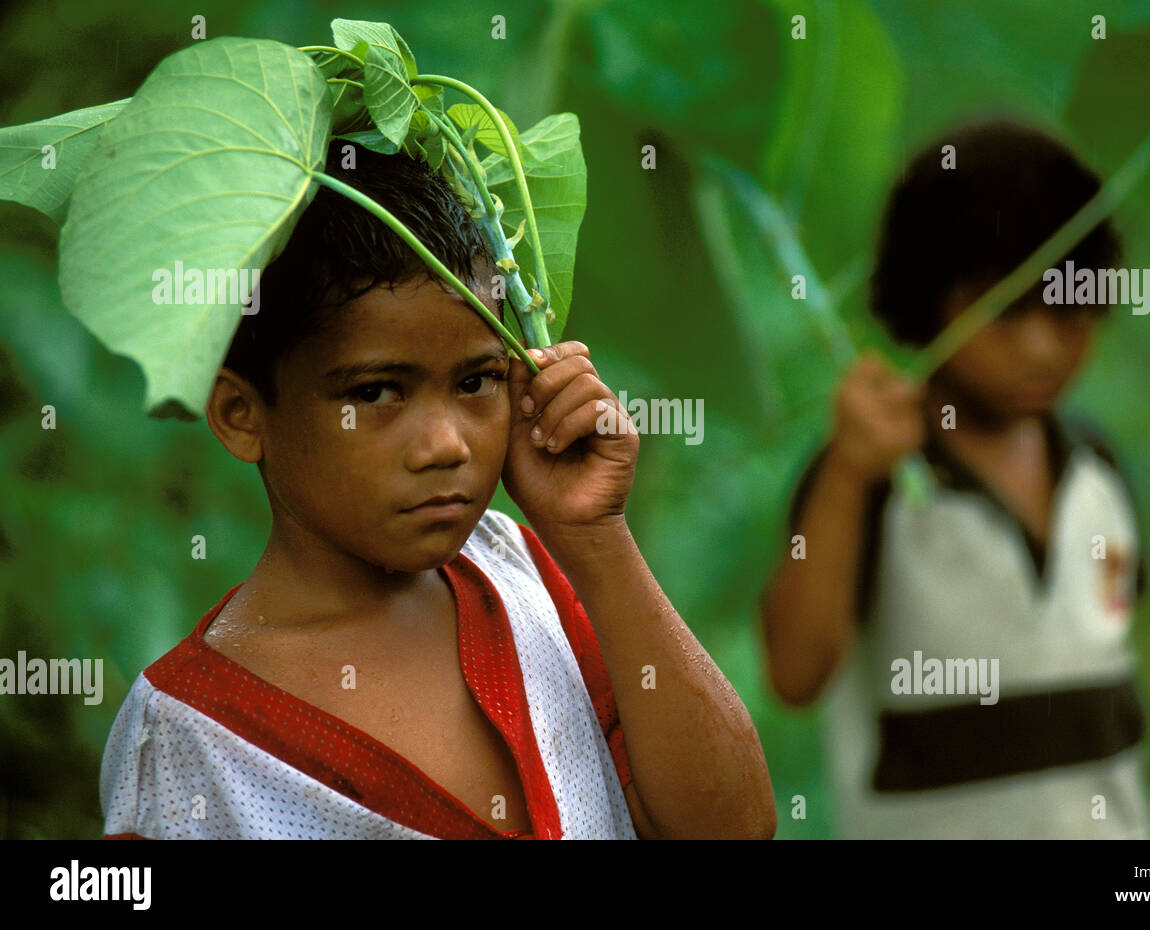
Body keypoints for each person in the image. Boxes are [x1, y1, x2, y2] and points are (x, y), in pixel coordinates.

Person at [100, 140, 776, 840]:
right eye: (377, 392)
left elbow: (737, 828)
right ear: (242, 415)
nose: (447, 445)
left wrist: (597, 541)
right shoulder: (184, 736)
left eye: (476, 381)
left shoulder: (523, 578)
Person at [760, 120, 1150, 839]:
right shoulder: (869, 481)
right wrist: (849, 471)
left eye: (1068, 307)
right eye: (1005, 310)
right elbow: (795, 672)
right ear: (929, 300)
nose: (1040, 345)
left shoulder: (1097, 471)